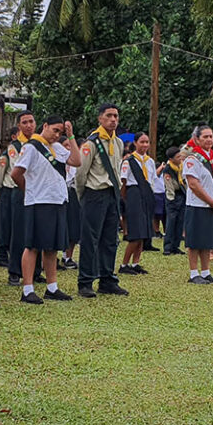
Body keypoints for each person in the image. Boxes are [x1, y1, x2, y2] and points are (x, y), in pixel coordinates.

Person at [12, 115, 80, 303]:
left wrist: (71, 136)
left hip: (57, 200)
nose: (56, 135)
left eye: (60, 132)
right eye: (54, 130)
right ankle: (27, 289)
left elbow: (76, 161)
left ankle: (52, 287)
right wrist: (30, 189)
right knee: (33, 245)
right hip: (38, 201)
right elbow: (16, 173)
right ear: (45, 126)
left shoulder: (58, 148)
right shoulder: (31, 147)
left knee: (51, 247)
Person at [75, 103, 127, 298]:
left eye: (116, 116)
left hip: (111, 194)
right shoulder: (91, 144)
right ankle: (85, 281)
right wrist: (83, 196)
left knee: (110, 239)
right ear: (100, 119)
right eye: (109, 116)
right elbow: (81, 173)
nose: (113, 119)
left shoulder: (118, 142)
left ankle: (107, 279)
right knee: (90, 239)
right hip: (94, 193)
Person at [182, 125, 213, 285]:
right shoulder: (191, 159)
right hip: (198, 205)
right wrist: (212, 201)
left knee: (207, 240)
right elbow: (194, 184)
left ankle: (206, 272)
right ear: (197, 139)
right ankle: (194, 273)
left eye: (211, 136)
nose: (209, 140)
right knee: (195, 241)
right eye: (205, 137)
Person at [0, 111, 34, 282]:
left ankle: (35, 270)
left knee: (36, 232)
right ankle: (15, 271)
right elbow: (16, 171)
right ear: (19, 126)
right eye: (24, 122)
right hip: (19, 190)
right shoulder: (15, 147)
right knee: (18, 232)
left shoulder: (39, 143)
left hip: (36, 192)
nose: (29, 125)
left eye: (31, 121)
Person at [118, 131, 155, 274]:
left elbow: (151, 180)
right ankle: (124, 264)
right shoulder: (129, 161)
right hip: (133, 194)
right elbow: (123, 181)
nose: (145, 145)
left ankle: (135, 263)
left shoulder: (150, 161)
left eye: (147, 142)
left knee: (144, 232)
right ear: (135, 143)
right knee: (136, 233)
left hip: (147, 194)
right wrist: (126, 199)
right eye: (142, 142)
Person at [160, 146, 186, 256]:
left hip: (182, 195)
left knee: (180, 222)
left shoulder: (181, 167)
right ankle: (168, 247)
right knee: (171, 222)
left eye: (180, 155)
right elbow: (169, 187)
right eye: (177, 156)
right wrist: (172, 202)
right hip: (172, 197)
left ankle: (176, 246)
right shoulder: (168, 170)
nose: (180, 158)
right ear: (171, 159)